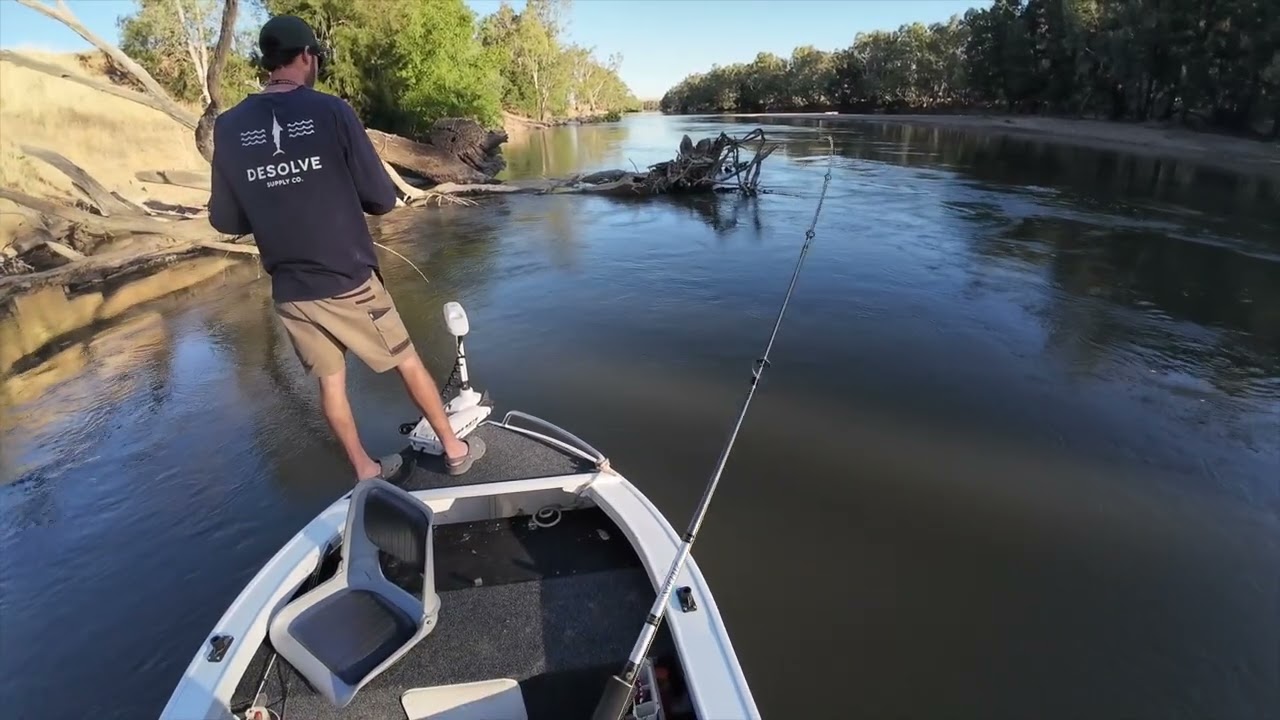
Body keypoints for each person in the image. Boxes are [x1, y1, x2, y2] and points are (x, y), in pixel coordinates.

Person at [208, 14, 483, 481]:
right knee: (406, 359)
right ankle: (454, 449)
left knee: (330, 382)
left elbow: (224, 219)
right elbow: (381, 199)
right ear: (307, 57)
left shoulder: (230, 126)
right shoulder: (331, 111)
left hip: (291, 289)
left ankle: (364, 470)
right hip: (348, 280)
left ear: (267, 62)